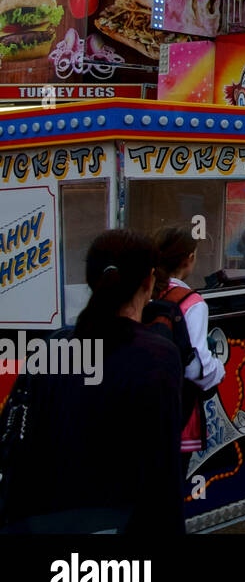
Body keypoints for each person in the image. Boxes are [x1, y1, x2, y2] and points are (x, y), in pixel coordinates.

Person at [0, 230, 183, 534]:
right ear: (149, 281)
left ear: (90, 279)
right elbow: (161, 474)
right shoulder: (157, 356)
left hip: (38, 523)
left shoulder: (51, 347)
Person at [150, 227, 225, 464]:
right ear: (189, 258)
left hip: (140, 404)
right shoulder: (191, 302)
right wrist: (218, 370)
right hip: (177, 408)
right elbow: (196, 365)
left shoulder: (144, 291)